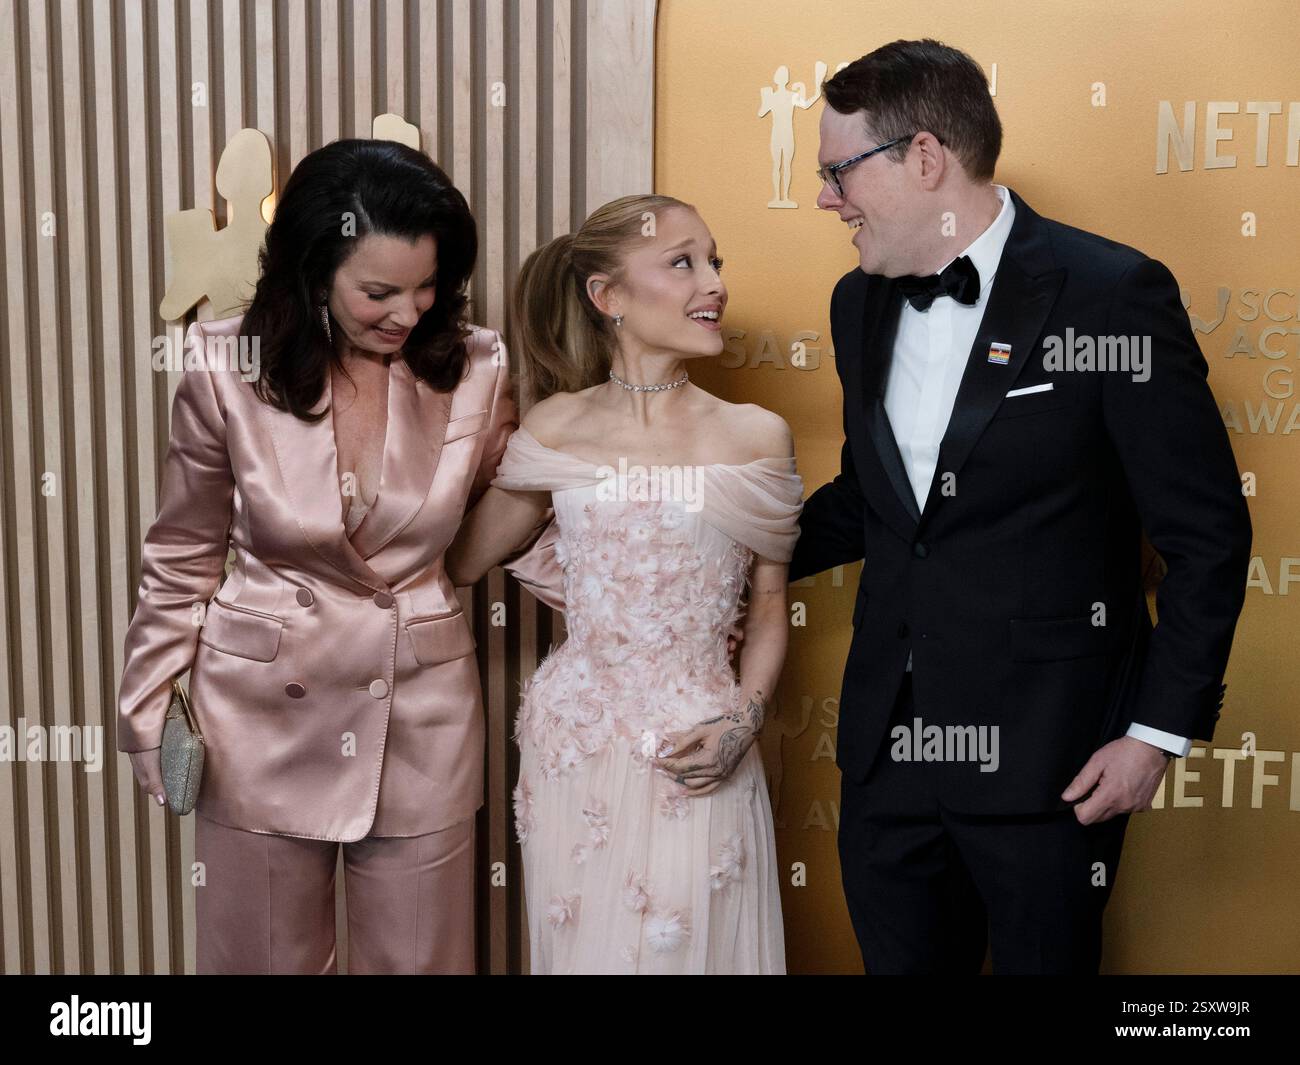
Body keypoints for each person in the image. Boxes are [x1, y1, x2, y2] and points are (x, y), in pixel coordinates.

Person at [791, 39, 1252, 974]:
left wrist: (1153, 735)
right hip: (887, 761)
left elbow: (1206, 536)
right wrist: (696, 548)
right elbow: (879, 505)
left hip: (1054, 758)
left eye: (839, 172)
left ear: (925, 158)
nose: (825, 199)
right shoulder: (859, 303)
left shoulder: (1113, 295)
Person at [117, 139, 514, 974]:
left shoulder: (477, 365)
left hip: (423, 716)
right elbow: (184, 551)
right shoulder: (227, 363)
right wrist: (147, 708)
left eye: (427, 286)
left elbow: (516, 521)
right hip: (260, 717)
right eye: (378, 292)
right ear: (311, 268)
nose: (408, 313)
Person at [446, 194, 802, 973]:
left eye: (714, 262)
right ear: (607, 297)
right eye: (683, 262)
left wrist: (743, 723)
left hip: (701, 742)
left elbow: (772, 607)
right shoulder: (556, 428)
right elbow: (464, 559)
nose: (713, 283)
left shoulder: (754, 436)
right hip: (576, 743)